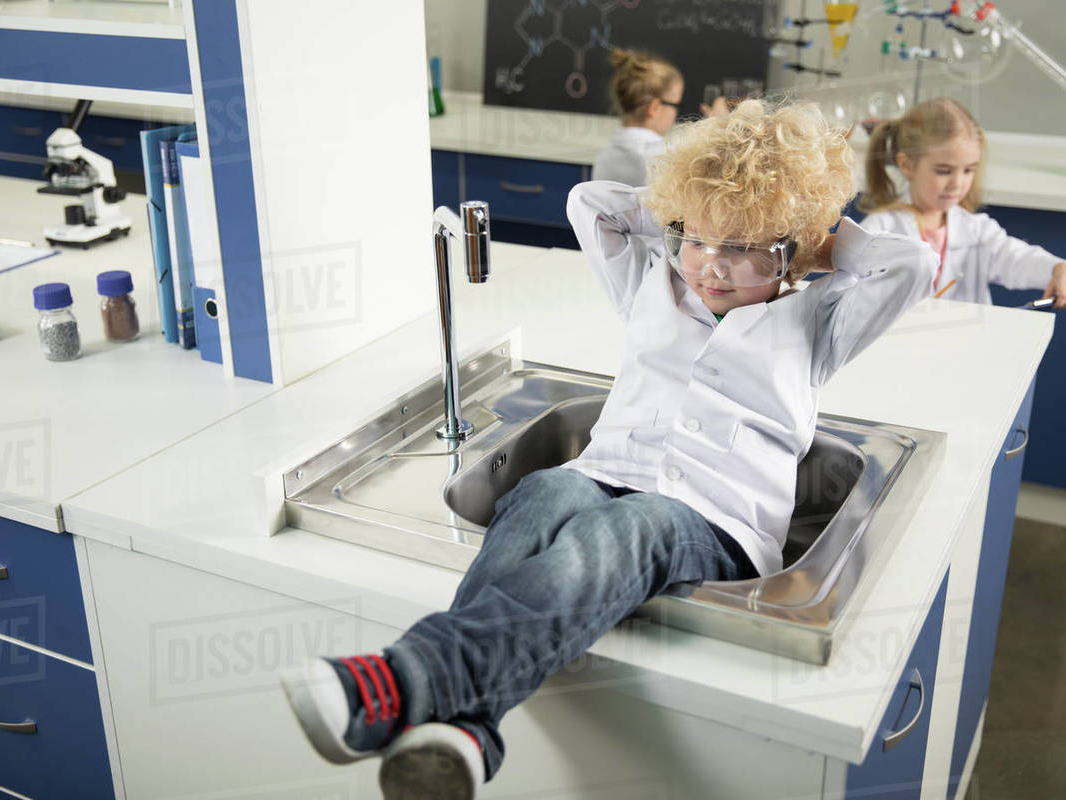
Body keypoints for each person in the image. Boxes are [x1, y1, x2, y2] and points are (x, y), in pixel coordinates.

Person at [279, 100, 937, 800]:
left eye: (744, 249)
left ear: (792, 247)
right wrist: (696, 210)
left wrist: (813, 240)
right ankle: (469, 732)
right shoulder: (652, 281)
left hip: (716, 517)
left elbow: (911, 266)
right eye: (696, 238)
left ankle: (405, 679)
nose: (712, 267)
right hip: (605, 471)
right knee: (543, 493)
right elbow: (588, 202)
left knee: (633, 527)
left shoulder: (817, 322)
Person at [859, 97, 1066, 308]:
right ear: (907, 165)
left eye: (969, 170)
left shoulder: (977, 230)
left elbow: (1017, 259)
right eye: (943, 171)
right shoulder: (879, 230)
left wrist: (1061, 269)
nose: (957, 183)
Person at [591, 47, 683, 186]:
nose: (675, 113)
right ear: (654, 108)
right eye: (676, 105)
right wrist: (718, 125)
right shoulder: (667, 158)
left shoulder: (605, 156)